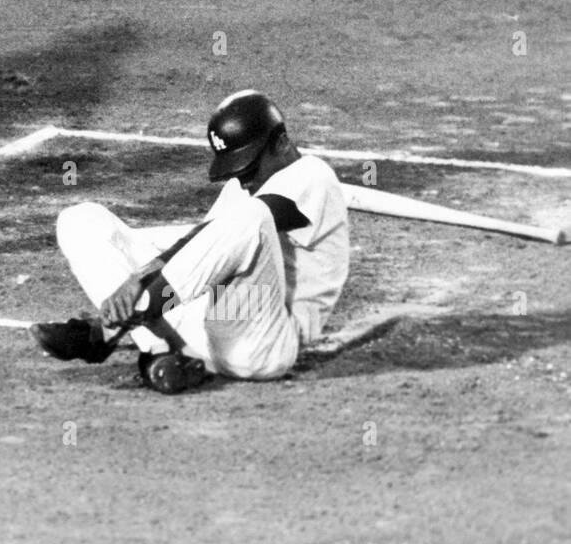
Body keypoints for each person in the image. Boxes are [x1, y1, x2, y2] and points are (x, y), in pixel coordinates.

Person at [31, 90, 350, 387]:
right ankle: (160, 352)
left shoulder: (314, 177)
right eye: (237, 170)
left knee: (250, 216)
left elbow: (234, 229)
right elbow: (201, 247)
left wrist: (141, 283)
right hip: (206, 328)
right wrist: (139, 276)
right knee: (81, 219)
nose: (242, 179)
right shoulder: (242, 187)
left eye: (249, 167)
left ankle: (113, 326)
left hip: (261, 343)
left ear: (281, 142)